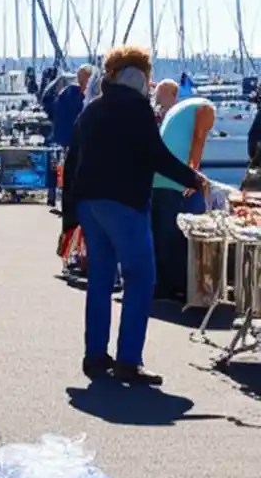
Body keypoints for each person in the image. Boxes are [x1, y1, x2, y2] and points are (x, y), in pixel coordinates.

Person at [71, 45, 206, 385]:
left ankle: (96, 356)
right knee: (140, 276)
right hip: (124, 203)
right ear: (141, 77)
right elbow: (156, 155)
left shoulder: (91, 110)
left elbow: (73, 161)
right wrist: (194, 179)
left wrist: (69, 218)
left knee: (100, 280)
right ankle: (129, 360)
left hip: (89, 202)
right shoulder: (137, 110)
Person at [151, 96, 215, 302]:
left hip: (160, 176)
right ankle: (171, 287)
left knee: (162, 234)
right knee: (174, 236)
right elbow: (199, 140)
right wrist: (193, 176)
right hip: (173, 180)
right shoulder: (206, 110)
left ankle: (162, 285)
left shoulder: (182, 109)